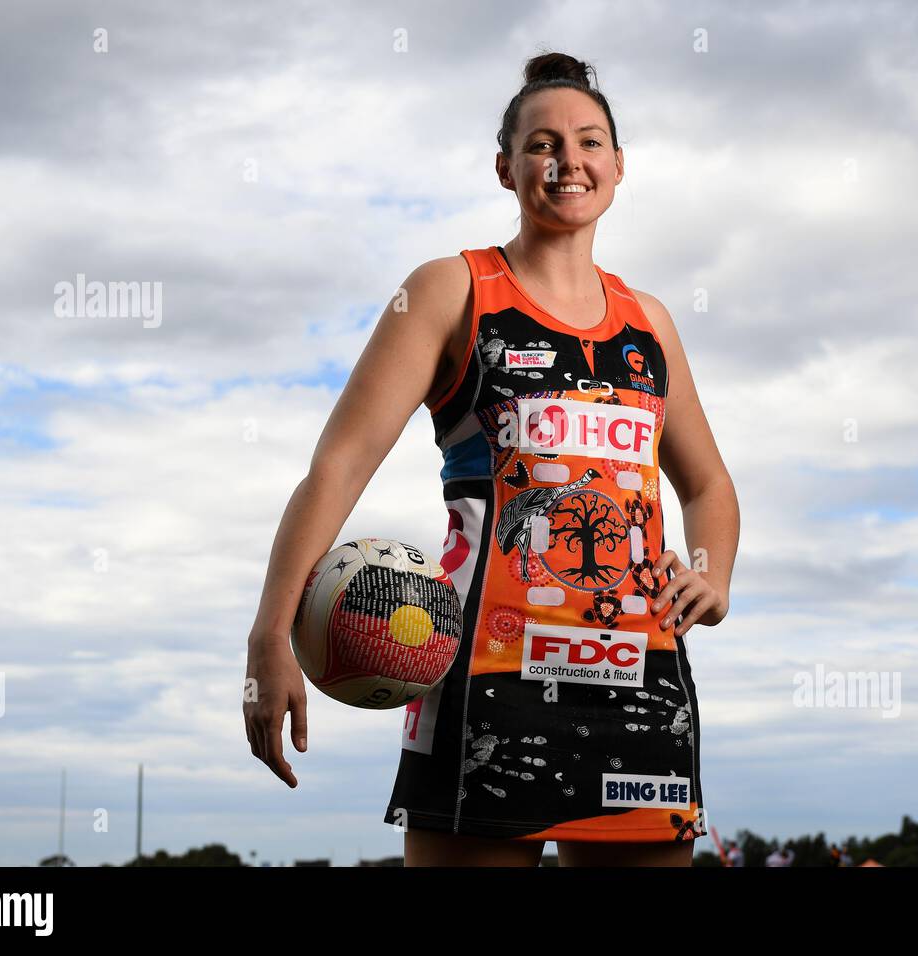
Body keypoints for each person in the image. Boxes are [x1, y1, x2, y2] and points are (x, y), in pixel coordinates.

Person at [242, 50, 740, 867]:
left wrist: (714, 575)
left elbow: (709, 482)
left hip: (644, 686)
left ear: (618, 165)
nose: (567, 161)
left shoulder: (648, 322)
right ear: (506, 168)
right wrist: (269, 634)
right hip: (485, 683)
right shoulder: (453, 290)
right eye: (542, 144)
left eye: (588, 142)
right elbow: (339, 464)